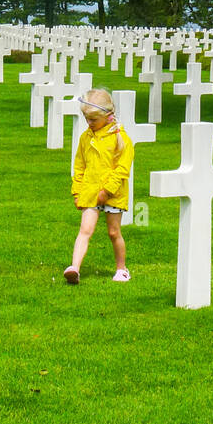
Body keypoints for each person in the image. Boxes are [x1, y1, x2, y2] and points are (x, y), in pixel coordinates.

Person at [65, 88, 133, 284]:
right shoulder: (86, 138)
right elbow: (80, 165)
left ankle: (121, 269)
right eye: (86, 119)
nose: (89, 123)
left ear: (108, 116)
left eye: (93, 120)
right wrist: (77, 191)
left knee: (113, 232)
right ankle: (74, 268)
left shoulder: (120, 138)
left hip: (113, 194)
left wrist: (107, 191)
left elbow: (123, 168)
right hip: (91, 191)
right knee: (85, 229)